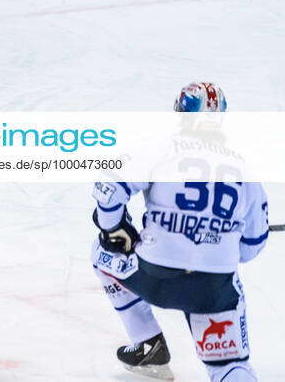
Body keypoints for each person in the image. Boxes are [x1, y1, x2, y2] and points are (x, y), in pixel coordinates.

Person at [92, 83, 269, 381]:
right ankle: (230, 367)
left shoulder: (158, 148)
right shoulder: (245, 169)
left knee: (101, 253)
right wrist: (215, 240)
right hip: (211, 291)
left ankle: (148, 343)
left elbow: (109, 189)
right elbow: (250, 249)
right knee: (228, 366)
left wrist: (115, 228)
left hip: (154, 278)